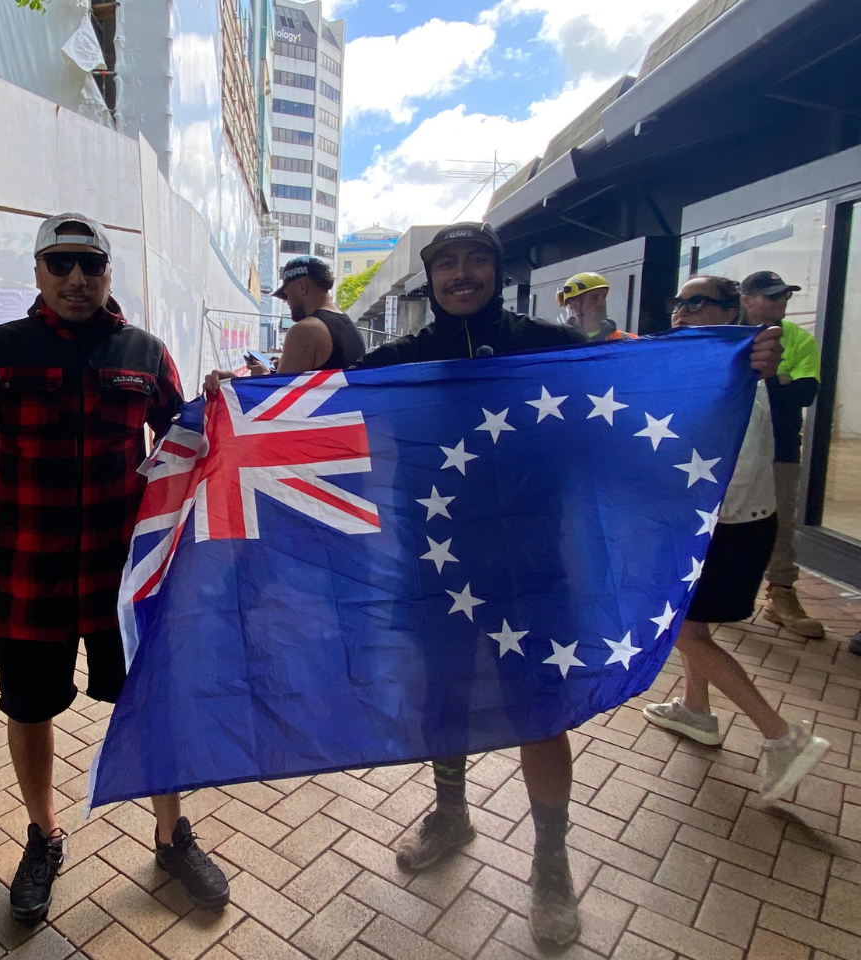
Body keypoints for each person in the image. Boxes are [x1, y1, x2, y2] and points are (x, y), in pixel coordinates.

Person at [207, 223, 783, 945]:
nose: (461, 273)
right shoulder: (405, 357)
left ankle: (551, 862)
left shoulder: (551, 343)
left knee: (540, 709)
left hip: (537, 564)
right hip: (437, 565)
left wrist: (741, 357)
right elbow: (315, 398)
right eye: (445, 263)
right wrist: (241, 396)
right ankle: (452, 813)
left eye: (476, 258)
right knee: (442, 696)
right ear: (431, 280)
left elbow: (651, 374)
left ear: (497, 270)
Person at [0, 213, 229, 925]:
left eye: (90, 265)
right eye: (59, 265)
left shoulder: (145, 353)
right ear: (36, 273)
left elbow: (186, 440)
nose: (75, 279)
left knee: (150, 700)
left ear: (107, 274)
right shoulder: (1, 351)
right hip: (29, 574)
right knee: (28, 709)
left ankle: (169, 833)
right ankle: (43, 835)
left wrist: (220, 406)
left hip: (125, 578)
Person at [642, 276, 829, 800]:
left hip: (724, 523)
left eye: (697, 303)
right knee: (692, 622)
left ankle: (781, 735)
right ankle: (697, 711)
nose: (681, 312)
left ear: (733, 311)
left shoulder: (740, 365)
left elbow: (732, 466)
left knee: (681, 629)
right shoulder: (699, 363)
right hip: (718, 520)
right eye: (678, 302)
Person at [741, 270, 824, 638]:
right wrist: (779, 380)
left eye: (784, 296)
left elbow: (803, 395)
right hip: (730, 447)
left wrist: (766, 380)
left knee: (780, 524)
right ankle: (706, 589)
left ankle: (782, 595)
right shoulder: (729, 336)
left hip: (781, 448)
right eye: (771, 295)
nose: (780, 302)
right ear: (746, 299)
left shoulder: (799, 340)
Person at [255, 256, 366, 375]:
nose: (287, 302)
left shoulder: (306, 330)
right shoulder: (349, 326)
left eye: (287, 295)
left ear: (303, 287)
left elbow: (280, 391)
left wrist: (262, 376)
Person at [557, 272, 635, 341]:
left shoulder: (628, 341)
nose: (602, 303)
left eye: (604, 297)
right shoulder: (559, 341)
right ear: (575, 306)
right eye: (594, 298)